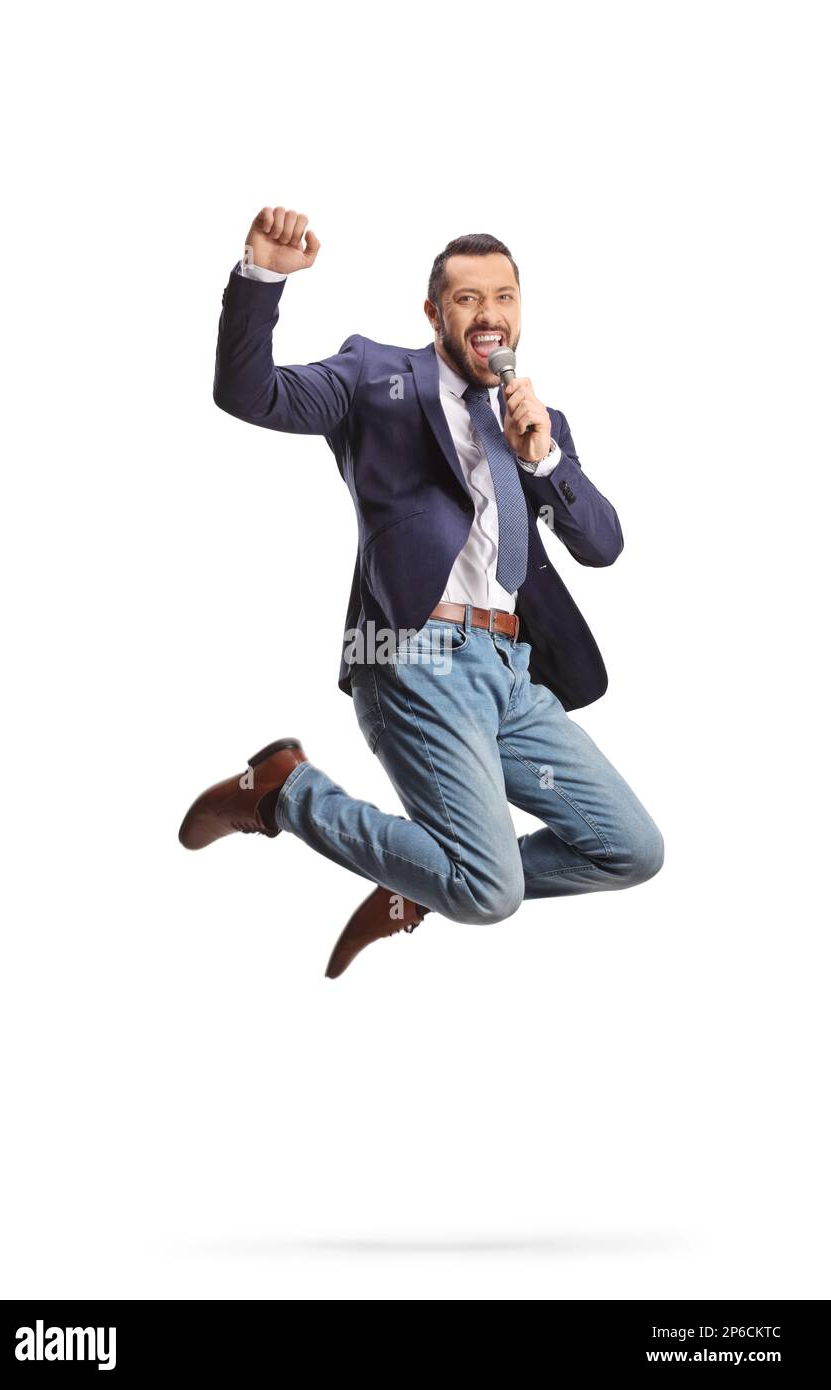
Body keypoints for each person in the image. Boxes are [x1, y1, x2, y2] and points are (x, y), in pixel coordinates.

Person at [178, 206, 664, 979]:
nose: (491, 313)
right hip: (414, 654)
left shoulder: (537, 421)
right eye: (469, 299)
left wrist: (545, 464)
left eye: (505, 297)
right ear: (436, 312)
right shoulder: (374, 377)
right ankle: (284, 792)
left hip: (514, 673)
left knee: (631, 850)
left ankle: (422, 881)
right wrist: (261, 276)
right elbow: (249, 393)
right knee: (489, 893)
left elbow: (602, 547)